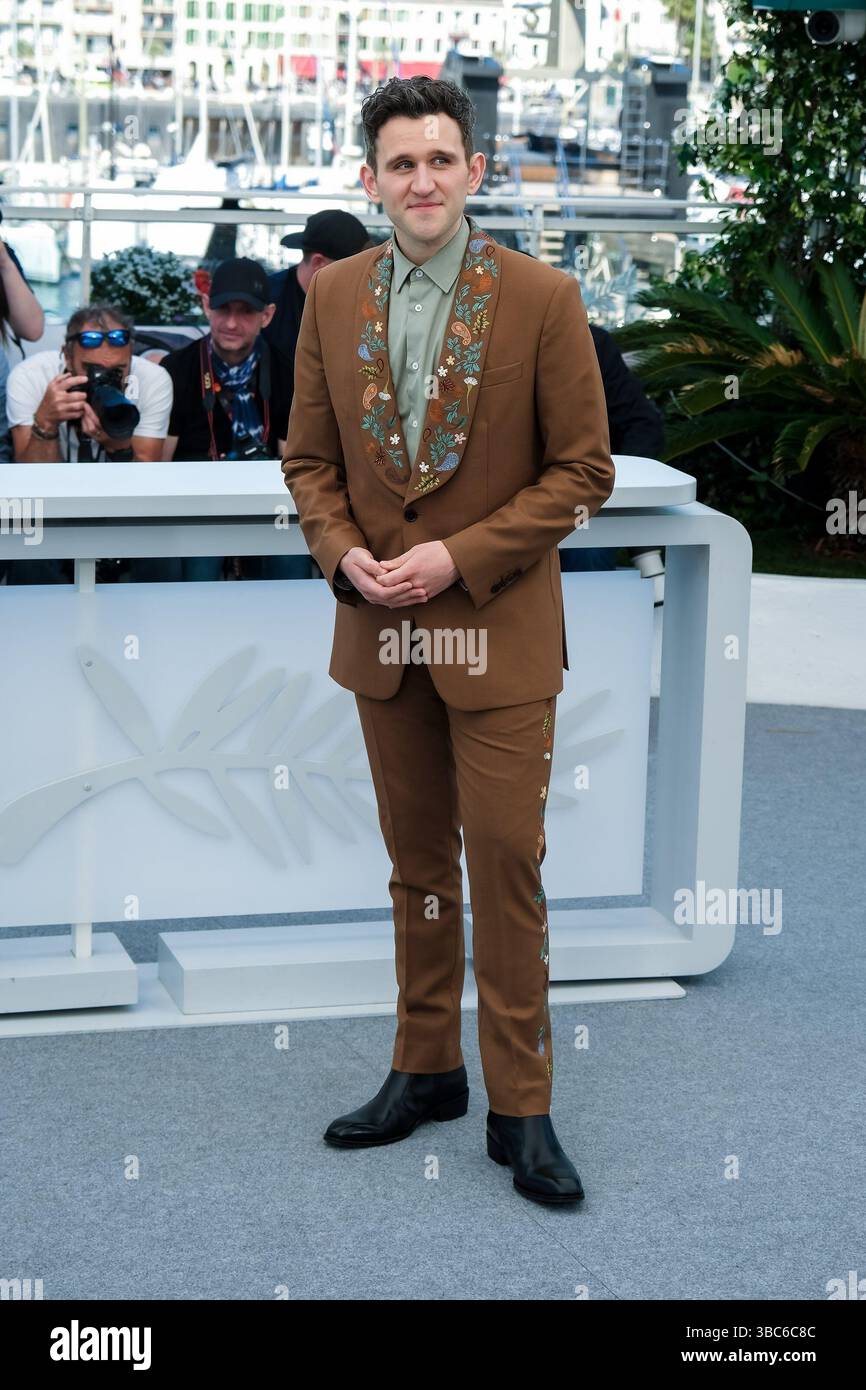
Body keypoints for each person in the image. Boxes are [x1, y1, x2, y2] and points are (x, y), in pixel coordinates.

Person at [282, 76, 615, 1205]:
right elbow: (307, 463)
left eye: (438, 159)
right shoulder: (331, 301)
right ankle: (425, 1069)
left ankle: (522, 1106)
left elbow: (583, 476)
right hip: (379, 635)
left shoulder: (541, 296)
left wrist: (459, 557)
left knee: (504, 867)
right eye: (397, 163)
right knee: (417, 870)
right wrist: (340, 554)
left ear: (474, 171)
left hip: (497, 632)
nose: (419, 180)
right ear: (368, 181)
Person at [5, 303, 172, 584]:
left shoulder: (152, 379)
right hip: (51, 511)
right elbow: (31, 485)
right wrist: (45, 423)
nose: (104, 380)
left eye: (117, 371)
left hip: (123, 507)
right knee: (27, 536)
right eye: (93, 371)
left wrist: (118, 444)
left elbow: (146, 484)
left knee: (160, 547)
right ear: (66, 356)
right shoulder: (31, 377)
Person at [160, 256, 305, 581]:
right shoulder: (177, 368)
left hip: (269, 499)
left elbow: (293, 457)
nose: (231, 323)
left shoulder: (288, 371)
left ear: (267, 315)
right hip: (195, 501)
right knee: (199, 568)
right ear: (207, 306)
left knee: (291, 562)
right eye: (224, 309)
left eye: (246, 312)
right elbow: (161, 463)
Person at [560, 322, 665, 573]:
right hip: (506, 495)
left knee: (588, 549)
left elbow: (641, 423)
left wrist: (613, 481)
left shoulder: (593, 343)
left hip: (579, 490)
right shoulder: (484, 343)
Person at [263, 208, 370, 371]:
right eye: (354, 267)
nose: (362, 276)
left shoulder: (364, 301)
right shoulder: (266, 299)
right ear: (319, 263)